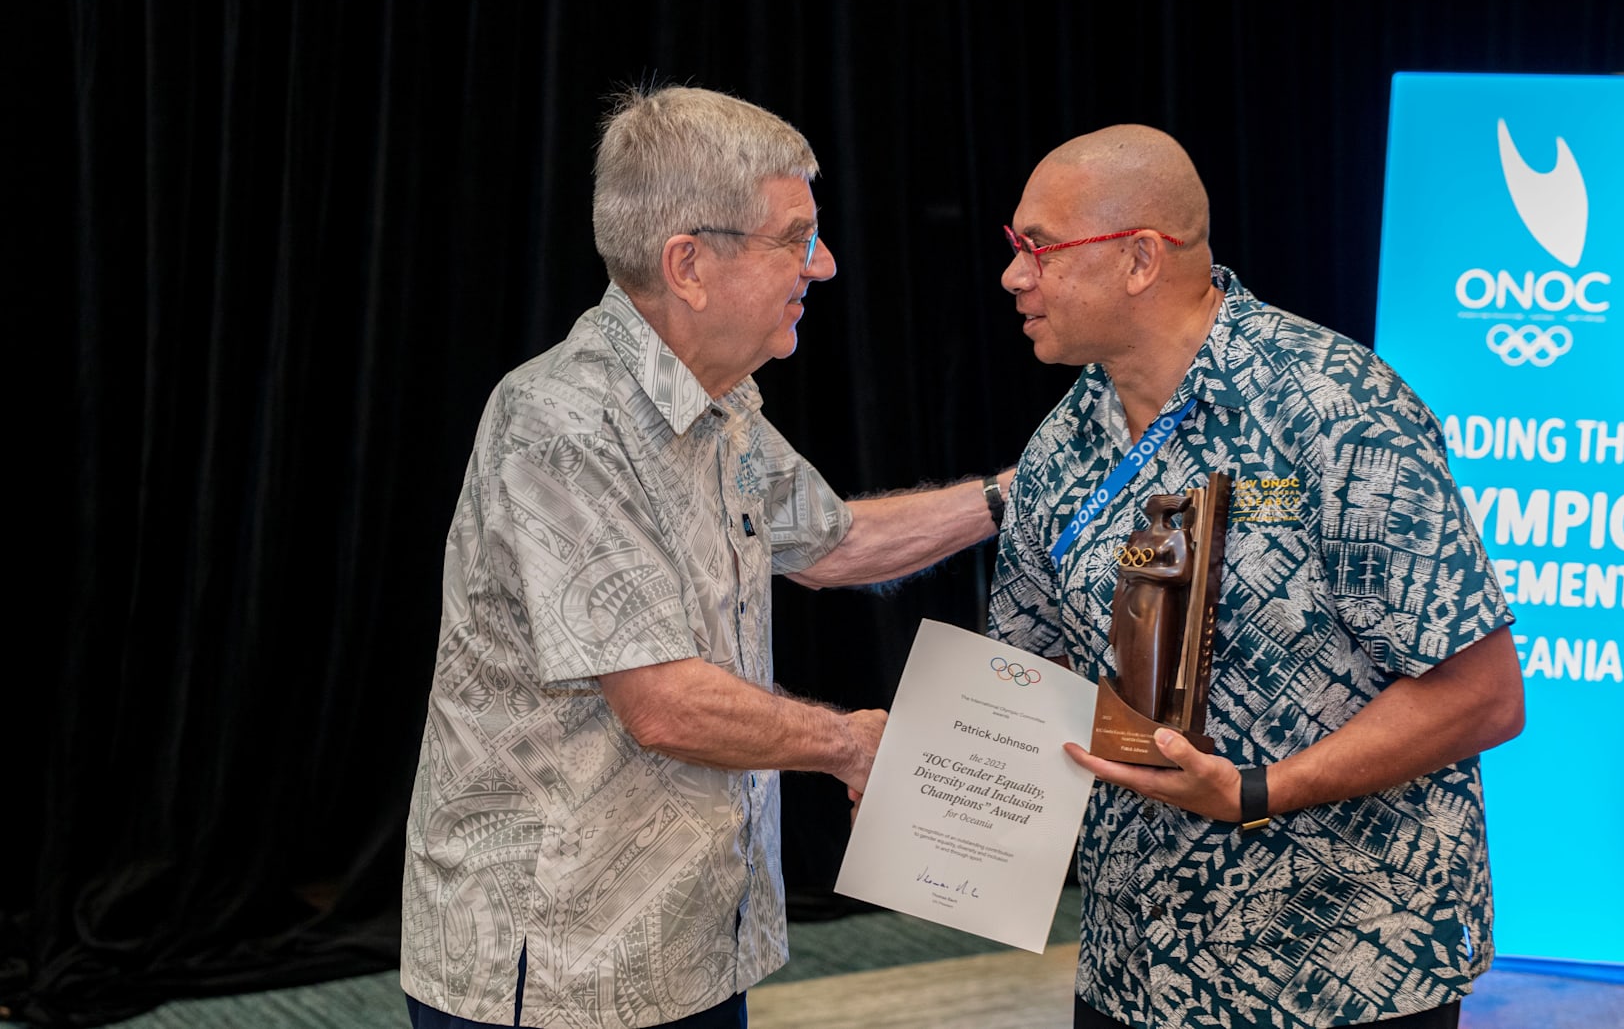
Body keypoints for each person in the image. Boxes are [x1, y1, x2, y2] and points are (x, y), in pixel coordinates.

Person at [401, 86, 1013, 1029]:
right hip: (562, 967)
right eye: (797, 238)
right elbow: (663, 702)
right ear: (688, 263)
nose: (827, 264)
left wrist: (1013, 495)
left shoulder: (718, 406)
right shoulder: (560, 421)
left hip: (686, 943)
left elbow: (836, 543)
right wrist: (852, 745)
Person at [987, 125, 1525, 1029]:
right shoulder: (1060, 447)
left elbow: (1482, 695)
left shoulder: (1335, 409)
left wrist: (1254, 792)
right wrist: (924, 765)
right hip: (1136, 967)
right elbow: (1031, 682)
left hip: (1344, 967)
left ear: (1138, 258)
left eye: (1038, 249)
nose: (1014, 276)